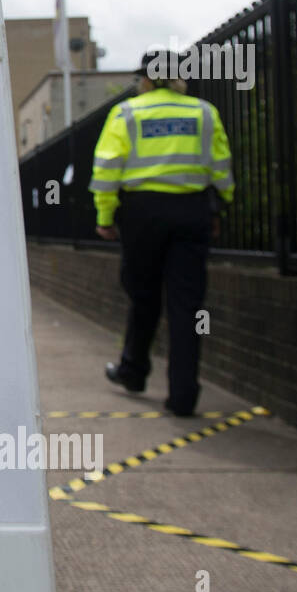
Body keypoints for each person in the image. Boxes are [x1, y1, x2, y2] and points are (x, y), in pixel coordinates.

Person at [89, 50, 234, 416]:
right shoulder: (203, 112)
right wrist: (221, 204)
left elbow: (107, 170)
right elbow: (221, 168)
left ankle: (133, 372)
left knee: (143, 296)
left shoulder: (127, 113)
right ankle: (183, 396)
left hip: (142, 214)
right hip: (192, 212)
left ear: (147, 79)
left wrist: (105, 216)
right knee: (187, 307)